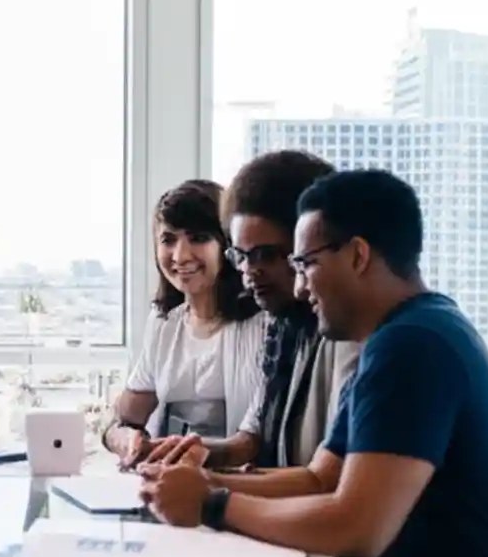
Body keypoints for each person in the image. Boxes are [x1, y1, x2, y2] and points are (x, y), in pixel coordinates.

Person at [140, 170, 488, 557]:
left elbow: (354, 528)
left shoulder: (413, 345)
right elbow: (319, 479)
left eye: (305, 264)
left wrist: (214, 504)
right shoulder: (402, 335)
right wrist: (197, 484)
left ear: (357, 255)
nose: (298, 287)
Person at [150, 151, 358, 469]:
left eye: (267, 255)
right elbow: (253, 436)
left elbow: (325, 483)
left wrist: (211, 492)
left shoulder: (350, 334)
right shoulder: (286, 325)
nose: (250, 272)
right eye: (242, 257)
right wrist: (185, 452)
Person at [102, 180, 267, 464]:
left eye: (198, 238)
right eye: (168, 240)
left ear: (228, 245)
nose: (180, 255)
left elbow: (252, 443)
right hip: (167, 482)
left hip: (239, 489)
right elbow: (121, 421)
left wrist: (177, 453)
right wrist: (124, 440)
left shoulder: (263, 324)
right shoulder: (164, 323)